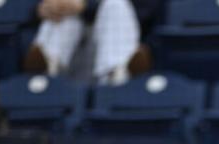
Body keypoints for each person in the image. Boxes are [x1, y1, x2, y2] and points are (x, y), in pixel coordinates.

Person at [24, 0, 155, 85]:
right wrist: (42, 8)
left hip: (115, 35)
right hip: (72, 41)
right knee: (61, 6)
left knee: (115, 4)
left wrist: (86, 6)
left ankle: (116, 77)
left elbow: (145, 10)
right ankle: (48, 70)